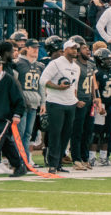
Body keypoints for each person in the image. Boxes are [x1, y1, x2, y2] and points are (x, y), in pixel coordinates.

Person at [39, 39, 81, 173]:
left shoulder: (76, 67)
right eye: (72, 48)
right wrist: (58, 87)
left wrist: (75, 99)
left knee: (66, 134)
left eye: (76, 48)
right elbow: (43, 81)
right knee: (55, 133)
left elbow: (75, 86)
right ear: (65, 49)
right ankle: (52, 163)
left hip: (70, 103)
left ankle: (59, 163)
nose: (75, 51)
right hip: (56, 102)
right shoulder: (55, 64)